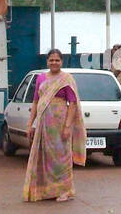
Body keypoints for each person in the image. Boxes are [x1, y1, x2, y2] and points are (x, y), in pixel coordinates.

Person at [23, 49, 86, 203]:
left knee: (61, 157)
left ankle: (65, 190)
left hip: (60, 123)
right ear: (47, 61)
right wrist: (30, 124)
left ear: (61, 62)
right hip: (44, 124)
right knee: (45, 157)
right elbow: (36, 101)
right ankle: (46, 190)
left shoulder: (66, 79)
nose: (54, 63)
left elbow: (72, 104)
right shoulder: (41, 78)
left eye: (57, 60)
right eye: (51, 60)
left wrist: (67, 126)